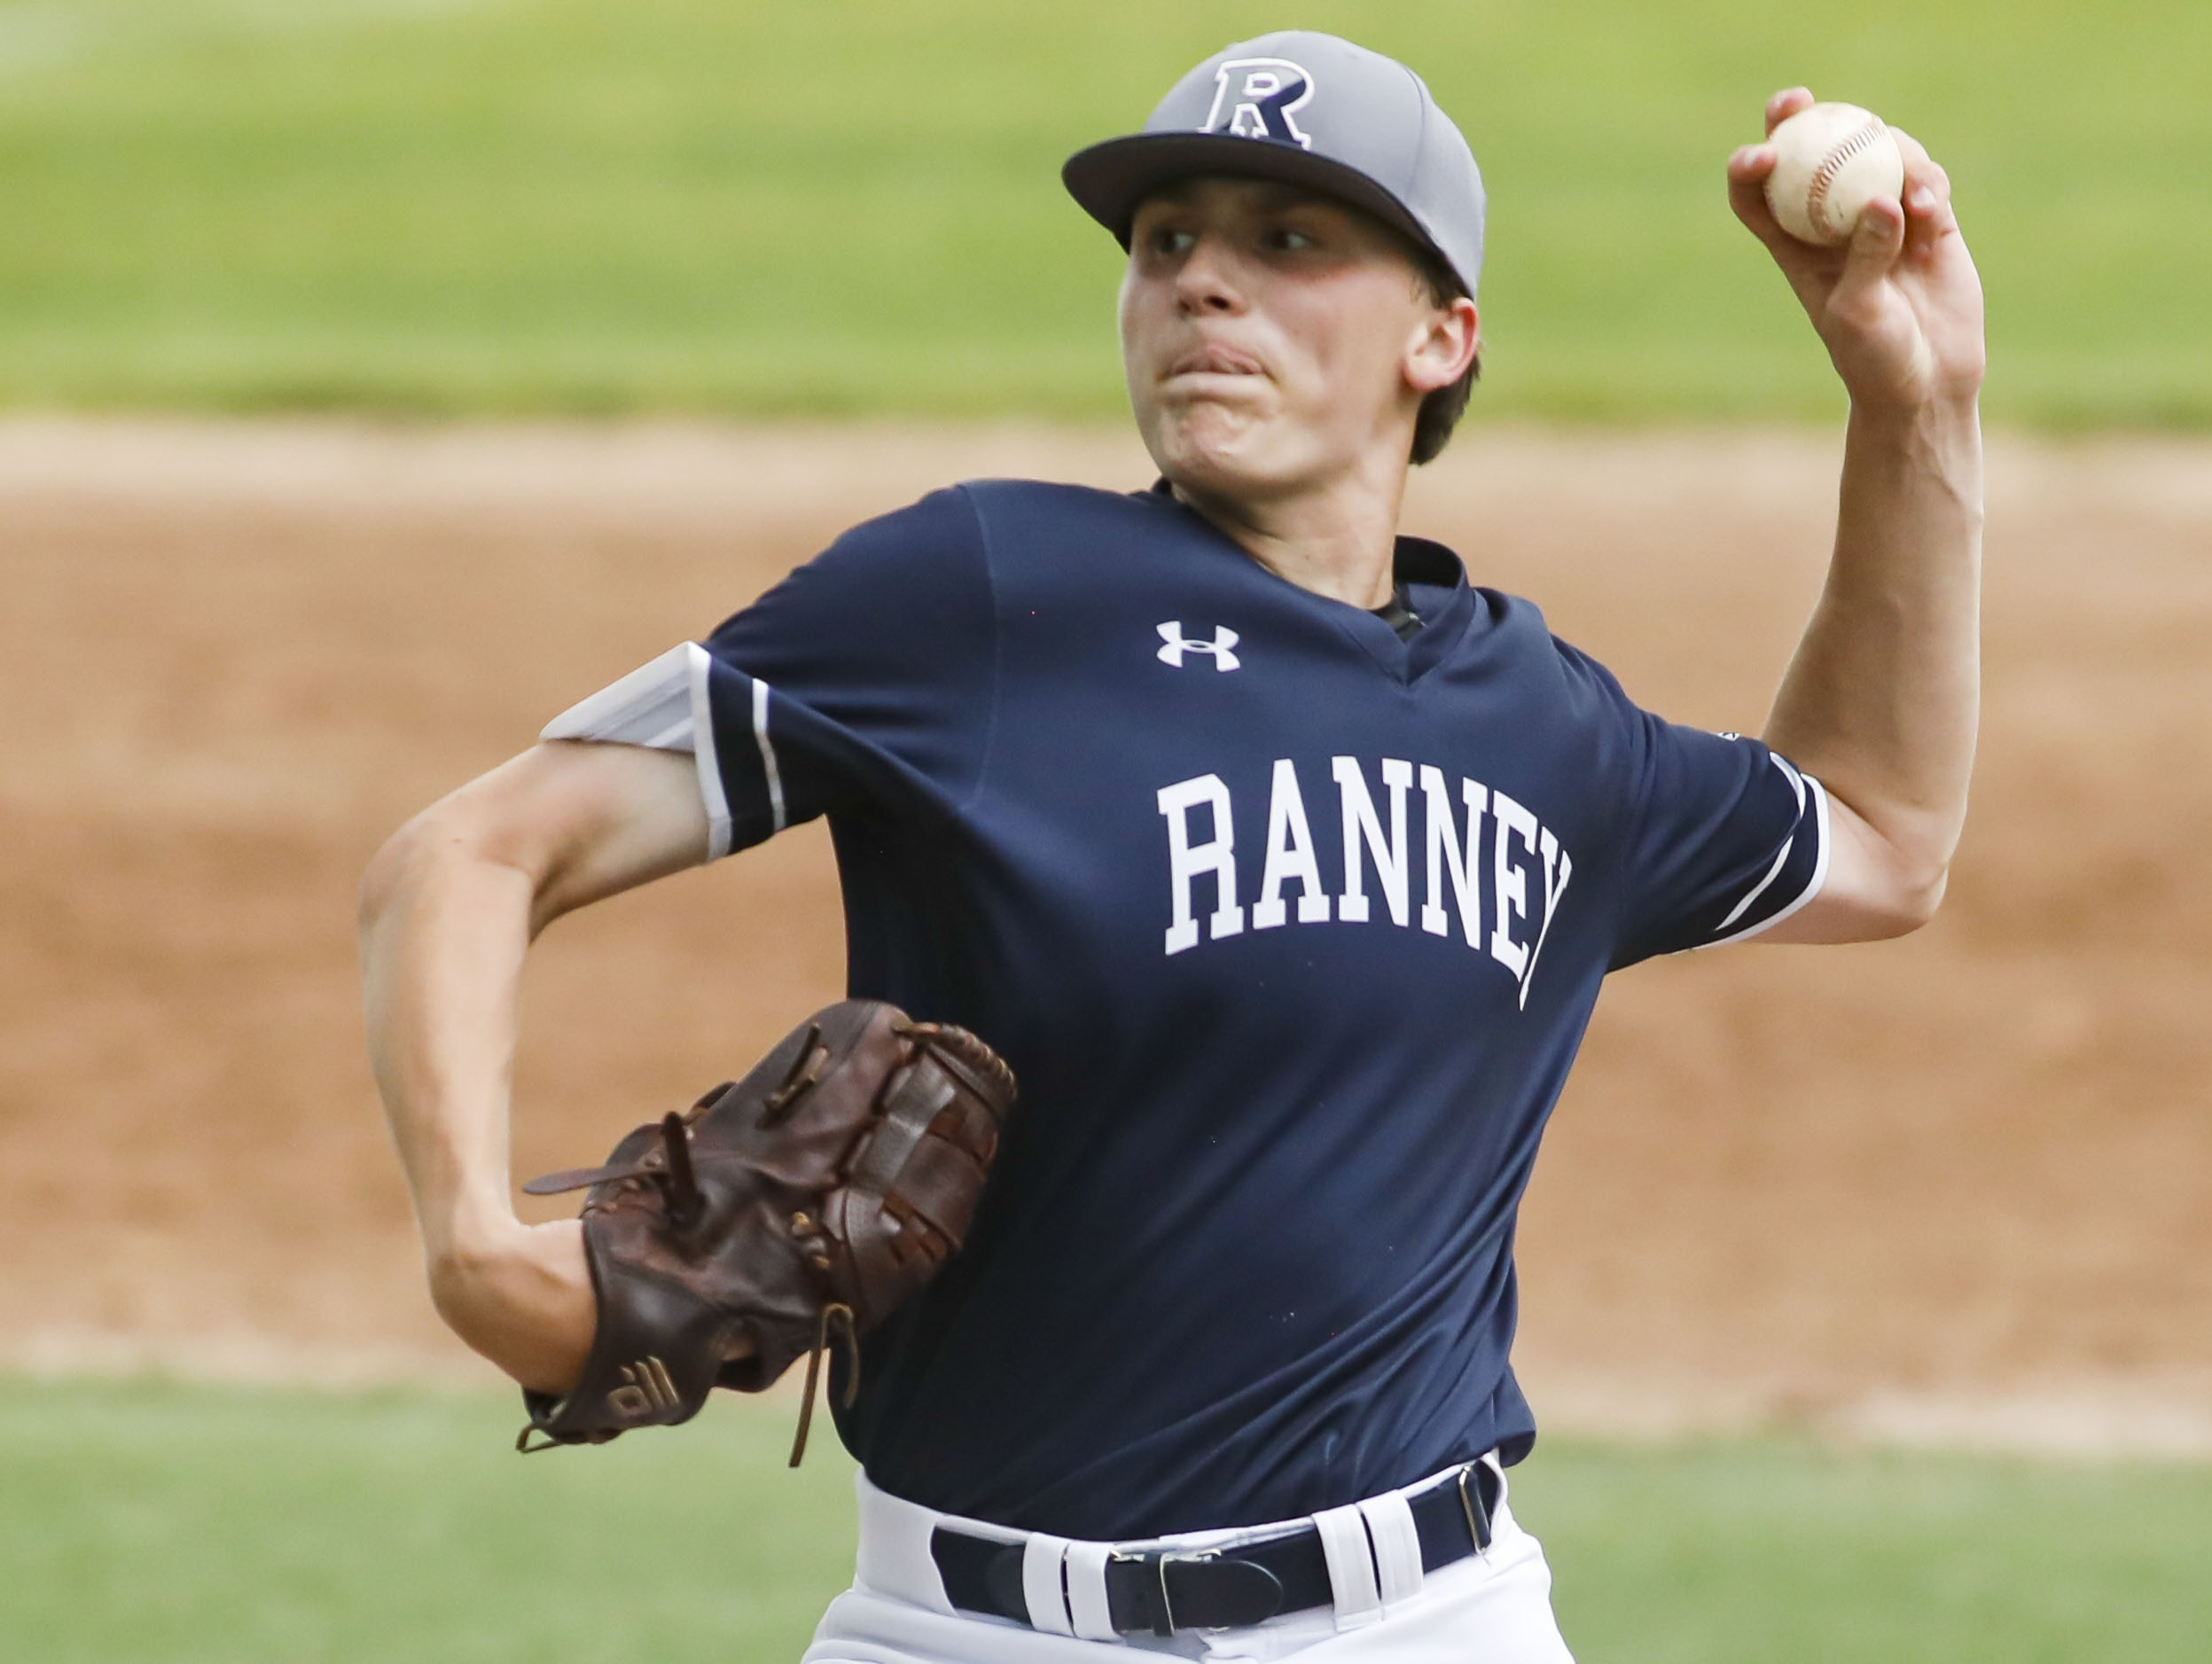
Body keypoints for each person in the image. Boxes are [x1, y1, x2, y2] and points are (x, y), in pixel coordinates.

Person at [357, 29, 1982, 1663]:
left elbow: (1880, 831)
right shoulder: (983, 597)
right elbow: (473, 853)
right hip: (968, 1631)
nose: (1207, 282)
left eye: (1289, 241)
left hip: (1428, 1621)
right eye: (1167, 242)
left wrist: (1913, 405)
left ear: (1443, 334)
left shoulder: (1539, 723)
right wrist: (476, 1253)